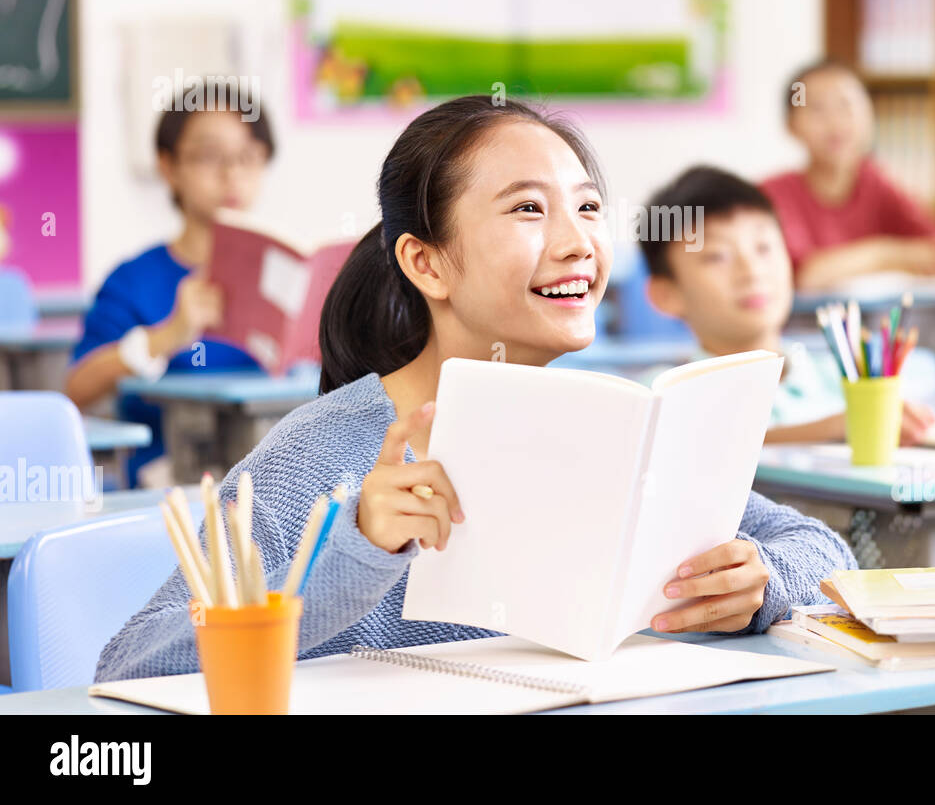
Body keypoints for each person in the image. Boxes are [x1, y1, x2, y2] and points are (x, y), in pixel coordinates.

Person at [95, 96, 857, 683]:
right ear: (427, 264)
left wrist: (759, 584)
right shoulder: (326, 450)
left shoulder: (611, 425)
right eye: (529, 208)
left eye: (587, 207)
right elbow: (129, 663)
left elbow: (822, 550)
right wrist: (358, 551)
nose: (578, 242)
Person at [640, 165, 935, 446]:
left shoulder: (844, 380)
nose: (752, 270)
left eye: (764, 248)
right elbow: (710, 444)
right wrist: (837, 427)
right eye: (718, 256)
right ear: (666, 295)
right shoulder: (663, 393)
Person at [66, 105, 274, 486]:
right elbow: (75, 389)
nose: (231, 173)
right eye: (210, 155)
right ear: (168, 166)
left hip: (273, 485)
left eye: (247, 156)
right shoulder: (133, 280)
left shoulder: (284, 281)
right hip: (167, 488)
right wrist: (167, 336)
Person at [761, 58, 935, 292]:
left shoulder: (875, 180)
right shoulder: (773, 194)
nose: (835, 122)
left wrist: (861, 260)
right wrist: (888, 255)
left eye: (846, 105)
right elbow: (807, 275)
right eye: (817, 108)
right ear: (791, 125)